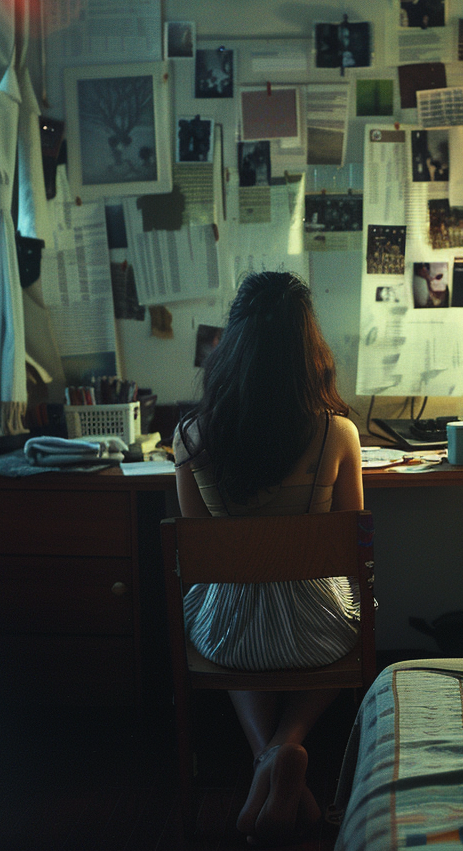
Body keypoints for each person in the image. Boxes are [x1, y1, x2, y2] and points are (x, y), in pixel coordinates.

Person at [173, 271, 363, 846]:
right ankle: (289, 741)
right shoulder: (337, 434)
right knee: (360, 607)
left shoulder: (190, 437)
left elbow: (199, 554)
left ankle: (264, 758)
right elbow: (352, 550)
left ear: (232, 348)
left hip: (226, 639)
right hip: (317, 636)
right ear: (310, 352)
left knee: (219, 603)